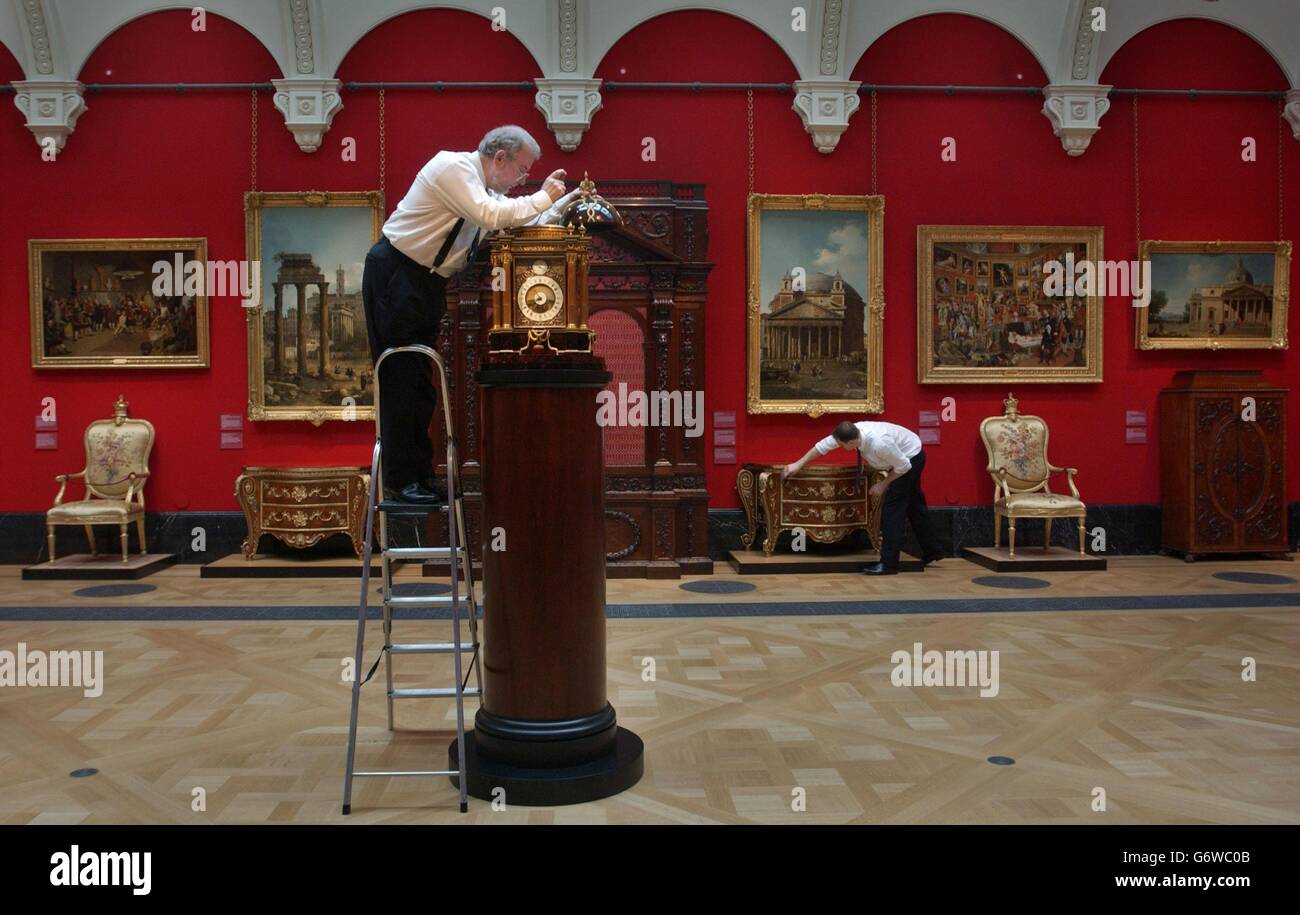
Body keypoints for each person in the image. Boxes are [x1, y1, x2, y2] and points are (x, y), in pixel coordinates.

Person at [362, 125, 580, 503]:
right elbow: (493, 214)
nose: (523, 179)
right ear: (500, 158)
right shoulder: (454, 168)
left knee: (421, 384)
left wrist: (560, 202)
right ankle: (399, 483)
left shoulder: (485, 190)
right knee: (401, 378)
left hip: (425, 283)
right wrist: (542, 196)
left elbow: (513, 220)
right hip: (397, 274)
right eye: (523, 170)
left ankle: (419, 475)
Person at [783, 419, 944, 575]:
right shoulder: (852, 432)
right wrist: (798, 464)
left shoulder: (879, 444)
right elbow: (823, 446)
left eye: (841, 445)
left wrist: (883, 484)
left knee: (892, 511)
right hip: (903, 456)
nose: (838, 446)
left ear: (851, 442)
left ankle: (889, 564)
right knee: (914, 505)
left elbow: (904, 466)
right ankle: (933, 550)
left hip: (911, 458)